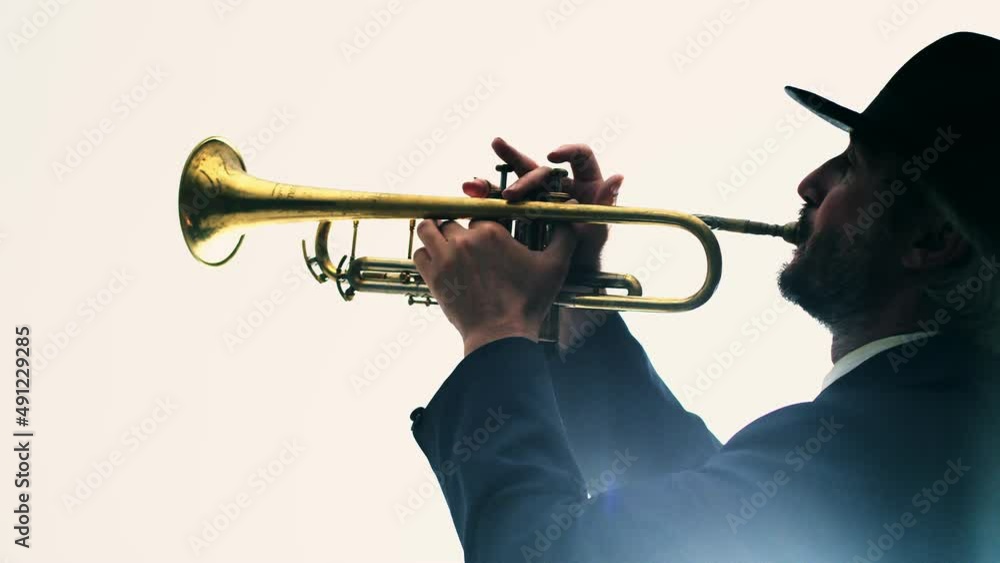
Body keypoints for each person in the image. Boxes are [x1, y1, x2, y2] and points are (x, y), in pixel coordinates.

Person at [408, 31, 1000, 562]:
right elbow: (707, 501)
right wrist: (575, 298)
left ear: (932, 237)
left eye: (851, 169)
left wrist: (495, 331)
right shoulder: (929, 424)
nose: (809, 183)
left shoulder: (890, 441)